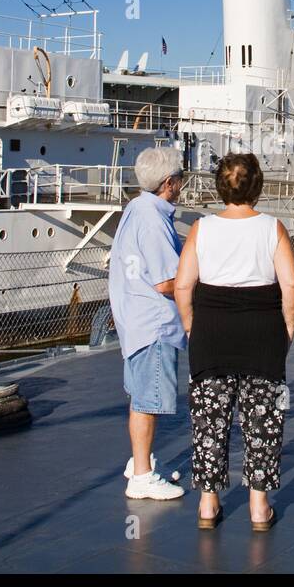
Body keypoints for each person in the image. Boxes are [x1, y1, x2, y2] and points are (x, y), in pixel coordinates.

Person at [173, 153, 294, 532]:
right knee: (263, 422)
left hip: (211, 332)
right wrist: (287, 331)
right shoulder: (271, 228)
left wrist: (192, 328)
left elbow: (183, 286)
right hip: (262, 334)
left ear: (220, 186)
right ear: (257, 185)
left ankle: (208, 506)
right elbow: (292, 287)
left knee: (209, 422)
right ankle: (259, 508)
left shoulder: (202, 228)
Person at [107, 146, 187, 500]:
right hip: (153, 323)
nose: (183, 185)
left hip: (133, 319)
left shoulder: (136, 208)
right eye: (181, 179)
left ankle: (139, 460)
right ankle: (142, 475)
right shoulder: (154, 220)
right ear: (169, 183)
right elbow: (166, 283)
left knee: (139, 396)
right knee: (147, 401)